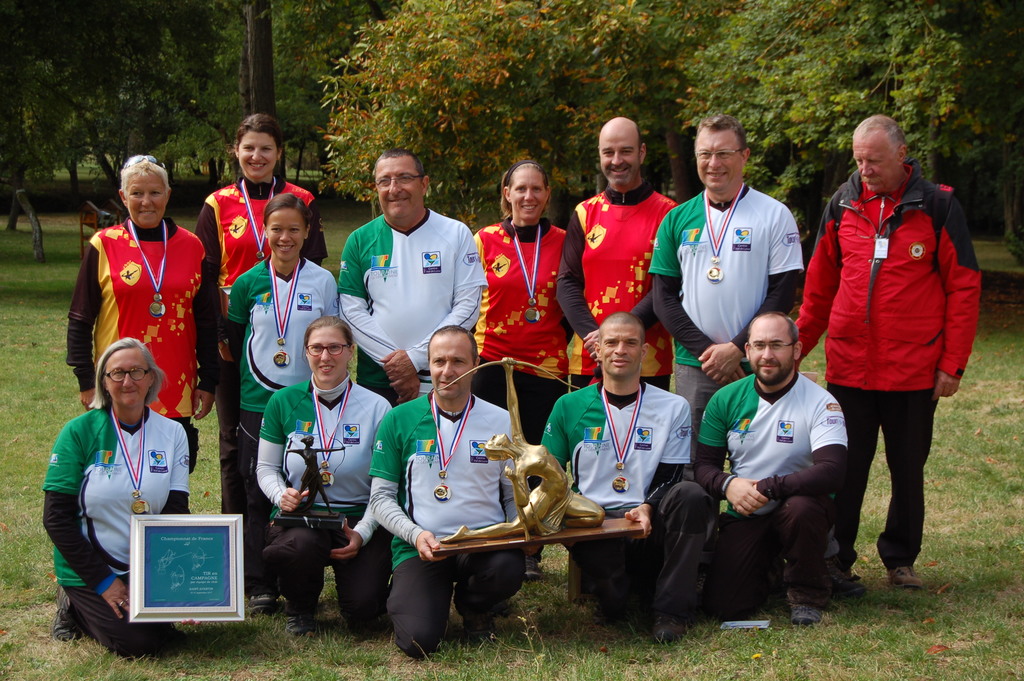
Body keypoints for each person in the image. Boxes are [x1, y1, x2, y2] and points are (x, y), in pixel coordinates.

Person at [796, 114, 981, 590]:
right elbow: (819, 285)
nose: (865, 169)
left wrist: (952, 364)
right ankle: (838, 557)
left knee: (907, 468)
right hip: (849, 368)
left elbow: (964, 288)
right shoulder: (842, 204)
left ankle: (900, 557)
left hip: (913, 370)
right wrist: (798, 345)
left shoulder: (938, 207)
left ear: (902, 155)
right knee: (845, 468)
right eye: (859, 160)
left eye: (874, 160)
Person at [541, 312, 712, 643]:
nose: (621, 350)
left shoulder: (672, 406)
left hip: (648, 521)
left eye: (630, 343)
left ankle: (672, 612)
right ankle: (624, 590)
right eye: (612, 342)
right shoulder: (568, 406)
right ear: (598, 350)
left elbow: (671, 473)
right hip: (595, 526)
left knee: (690, 494)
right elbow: (547, 475)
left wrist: (648, 506)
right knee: (616, 606)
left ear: (644, 352)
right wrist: (563, 525)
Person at [195, 113, 328, 517]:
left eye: (266, 148)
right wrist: (220, 336)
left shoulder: (302, 199)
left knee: (297, 433)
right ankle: (238, 531)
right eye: (248, 147)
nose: (257, 156)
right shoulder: (217, 204)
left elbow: (316, 266)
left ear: (279, 152)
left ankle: (290, 523)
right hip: (233, 336)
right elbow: (204, 273)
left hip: (290, 330)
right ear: (236, 151)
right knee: (234, 438)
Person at [651, 114, 804, 455]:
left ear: (744, 155)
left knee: (759, 459)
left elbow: (781, 292)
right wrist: (708, 353)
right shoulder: (677, 218)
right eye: (705, 154)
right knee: (690, 462)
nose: (713, 163)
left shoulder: (774, 214)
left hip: (756, 362)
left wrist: (737, 348)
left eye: (724, 153)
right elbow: (663, 297)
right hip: (696, 364)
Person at [368, 326, 524, 658]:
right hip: (423, 545)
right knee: (417, 641)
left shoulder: (501, 420)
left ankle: (474, 606)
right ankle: (426, 598)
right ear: (429, 364)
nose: (447, 371)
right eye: (439, 361)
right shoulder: (399, 419)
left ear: (476, 363)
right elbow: (380, 498)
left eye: (458, 361)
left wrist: (516, 532)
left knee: (508, 568)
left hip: (484, 542)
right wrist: (415, 535)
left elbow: (512, 495)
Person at [695, 312, 848, 626]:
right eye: (759, 345)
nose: (767, 355)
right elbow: (703, 467)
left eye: (777, 345)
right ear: (747, 351)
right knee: (723, 606)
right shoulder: (725, 399)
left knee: (801, 508)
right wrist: (728, 485)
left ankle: (807, 593)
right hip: (749, 511)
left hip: (801, 508)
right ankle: (773, 568)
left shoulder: (822, 402)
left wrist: (768, 487)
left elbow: (832, 471)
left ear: (796, 349)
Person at [67, 155, 217, 473]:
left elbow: (205, 319)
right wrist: (85, 380)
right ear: (123, 197)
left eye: (154, 192)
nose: (146, 202)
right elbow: (80, 319)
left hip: (175, 386)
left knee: (171, 480)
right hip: (118, 383)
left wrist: (209, 379)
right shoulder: (103, 245)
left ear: (167, 194)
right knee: (114, 474)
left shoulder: (193, 247)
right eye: (137, 193)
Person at [226, 194, 339, 614]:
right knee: (259, 489)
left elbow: (332, 337)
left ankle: (301, 570)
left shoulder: (323, 282)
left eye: (294, 229)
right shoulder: (247, 283)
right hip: (258, 399)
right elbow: (236, 344)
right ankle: (259, 582)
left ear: (307, 233)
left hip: (308, 401)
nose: (285, 237)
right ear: (265, 232)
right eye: (277, 229)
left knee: (309, 483)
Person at [45, 338, 190, 657]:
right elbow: (55, 518)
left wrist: (179, 585)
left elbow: (176, 511)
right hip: (91, 567)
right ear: (104, 382)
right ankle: (73, 605)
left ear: (151, 377)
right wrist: (103, 582)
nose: (128, 381)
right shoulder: (79, 431)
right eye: (117, 373)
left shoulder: (173, 433)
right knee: (140, 645)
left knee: (170, 634)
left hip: (144, 565)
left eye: (137, 371)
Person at [256, 316, 392, 636]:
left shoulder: (377, 407)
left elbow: (385, 485)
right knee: (299, 546)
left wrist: (364, 532)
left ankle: (375, 588)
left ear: (351, 352)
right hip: (305, 516)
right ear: (305, 353)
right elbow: (266, 468)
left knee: (362, 609)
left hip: (358, 516)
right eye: (316, 348)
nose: (325, 356)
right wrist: (280, 495)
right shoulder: (283, 402)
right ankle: (300, 607)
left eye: (335, 347)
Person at [472, 160, 569, 581]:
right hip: (492, 360)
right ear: (506, 193)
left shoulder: (566, 241)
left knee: (538, 458)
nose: (528, 197)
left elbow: (572, 297)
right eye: (520, 189)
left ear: (547, 194)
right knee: (496, 455)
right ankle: (495, 536)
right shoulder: (484, 240)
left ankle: (532, 546)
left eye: (536, 189)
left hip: (545, 365)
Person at [339, 149, 487, 405]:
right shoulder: (359, 240)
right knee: (380, 445)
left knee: (435, 445)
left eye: (404, 178)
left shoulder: (456, 233)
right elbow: (351, 311)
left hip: (442, 377)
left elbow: (469, 306)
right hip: (378, 379)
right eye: (384, 181)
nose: (394, 188)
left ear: (424, 184)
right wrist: (397, 366)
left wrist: (417, 359)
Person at [557, 117, 676, 390]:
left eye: (626, 151)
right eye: (608, 152)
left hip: (647, 357)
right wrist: (596, 338)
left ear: (642, 152)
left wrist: (619, 336)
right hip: (590, 356)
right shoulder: (585, 213)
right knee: (589, 433)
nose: (617, 160)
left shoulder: (668, 213)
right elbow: (567, 282)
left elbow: (665, 286)